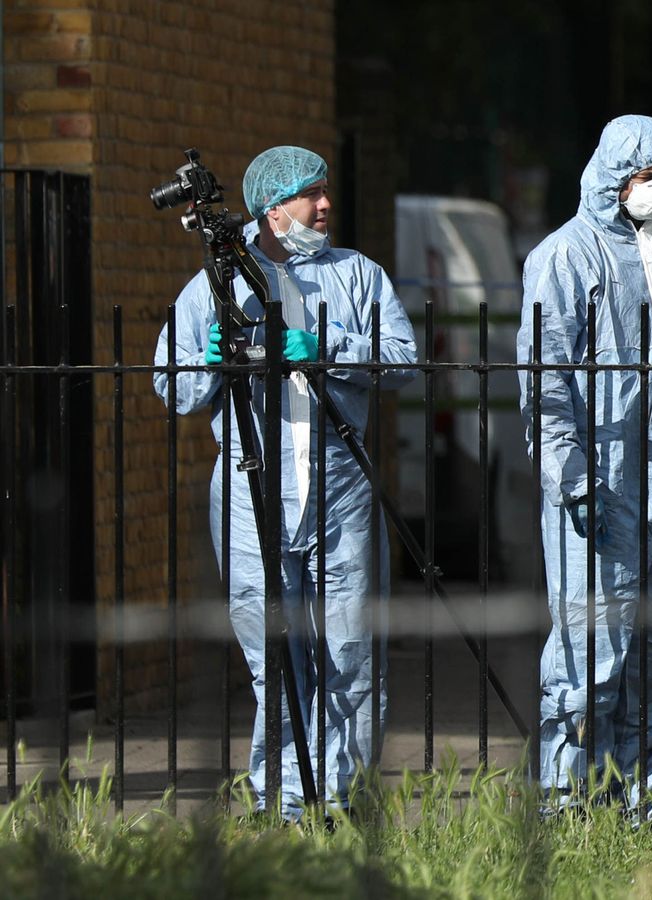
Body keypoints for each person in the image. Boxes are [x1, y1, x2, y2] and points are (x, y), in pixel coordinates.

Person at [153, 145, 418, 820]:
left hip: (340, 488)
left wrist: (326, 349)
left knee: (351, 649)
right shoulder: (214, 285)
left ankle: (344, 796)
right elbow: (171, 386)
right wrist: (211, 364)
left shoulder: (358, 275)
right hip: (253, 491)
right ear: (272, 209)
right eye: (310, 194)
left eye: (325, 191)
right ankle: (288, 800)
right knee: (273, 654)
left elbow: (403, 360)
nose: (326, 204)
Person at [519, 114, 652, 813]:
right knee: (590, 651)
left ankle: (641, 794)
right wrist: (573, 480)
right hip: (603, 488)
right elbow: (546, 386)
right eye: (645, 176)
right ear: (613, 177)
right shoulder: (564, 255)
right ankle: (567, 797)